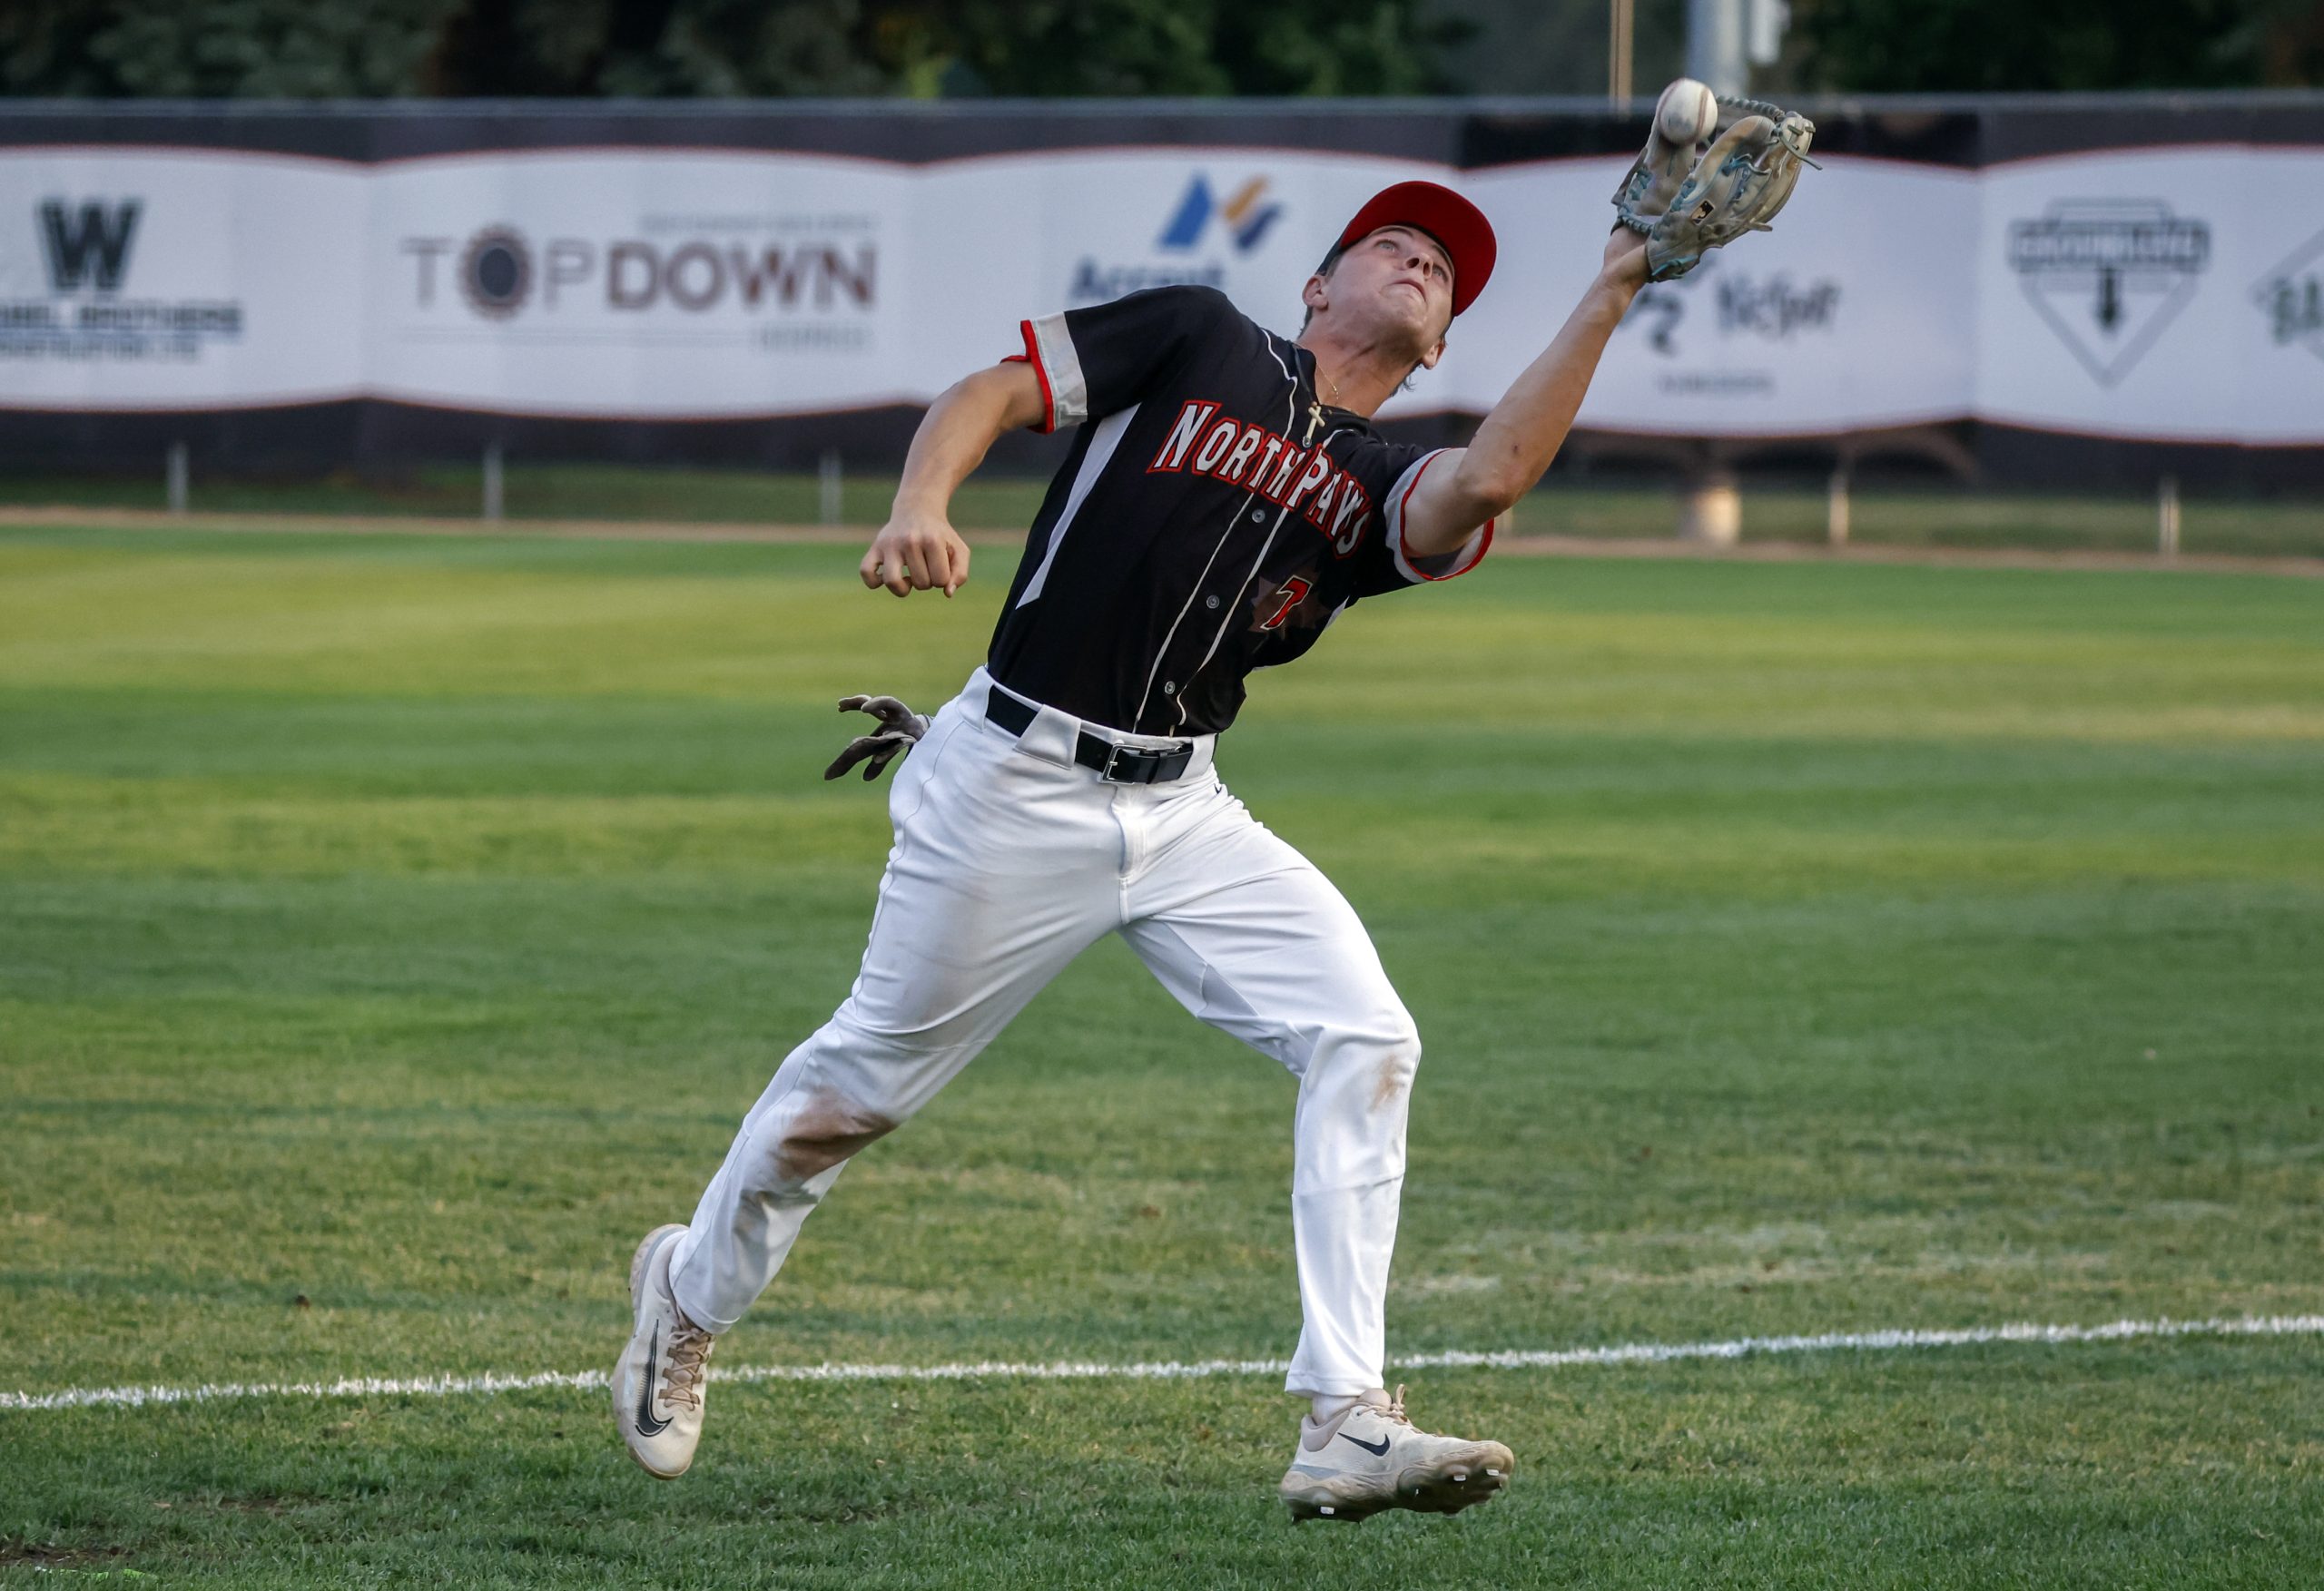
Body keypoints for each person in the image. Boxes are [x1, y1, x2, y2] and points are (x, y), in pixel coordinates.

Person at [615, 179, 1655, 1523]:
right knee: (853, 1096)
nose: (1418, 260)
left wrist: (1617, 283)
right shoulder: (1199, 335)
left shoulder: (1387, 479)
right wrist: (919, 498)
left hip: (1184, 811)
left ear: (1442, 345)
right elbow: (987, 393)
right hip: (1010, 782)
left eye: (1443, 272)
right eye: (1388, 243)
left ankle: (1345, 1416)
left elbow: (1496, 473)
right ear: (1316, 290)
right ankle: (687, 1298)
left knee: (1368, 1034)